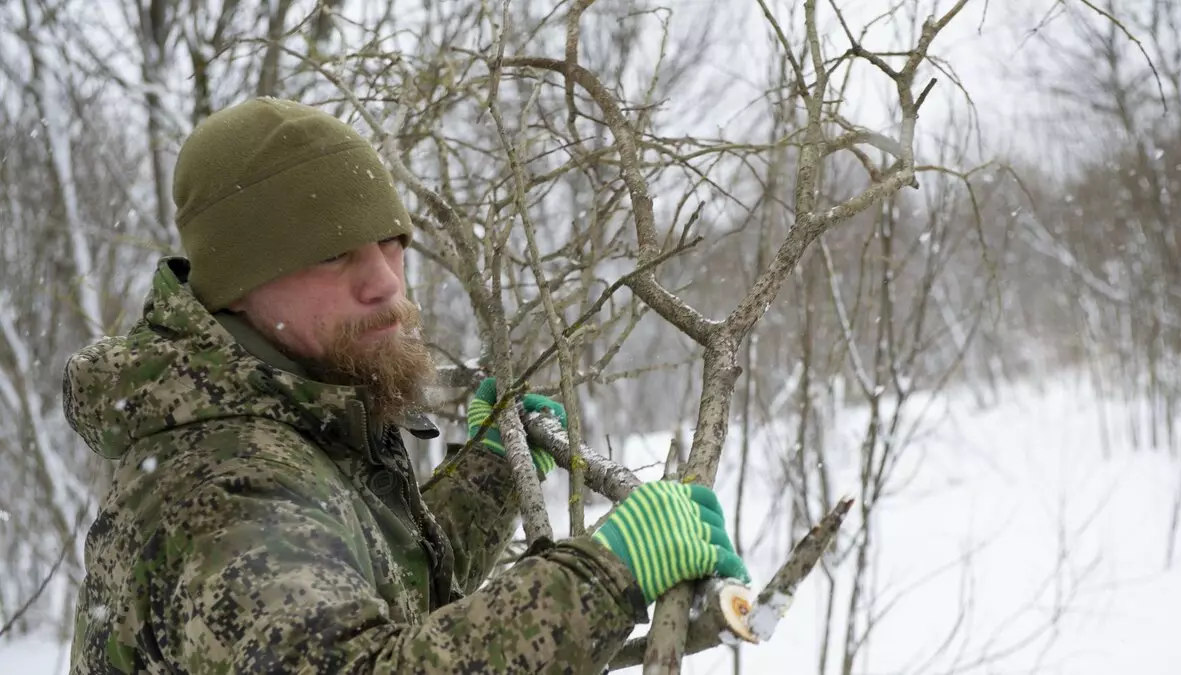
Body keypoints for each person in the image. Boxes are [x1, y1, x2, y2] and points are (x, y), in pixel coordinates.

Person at [63, 97, 750, 674]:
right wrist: (606, 573)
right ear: (239, 283)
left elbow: (359, 589)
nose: (386, 284)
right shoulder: (221, 487)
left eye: (392, 241)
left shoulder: (287, 414)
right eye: (334, 253)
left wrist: (488, 476)